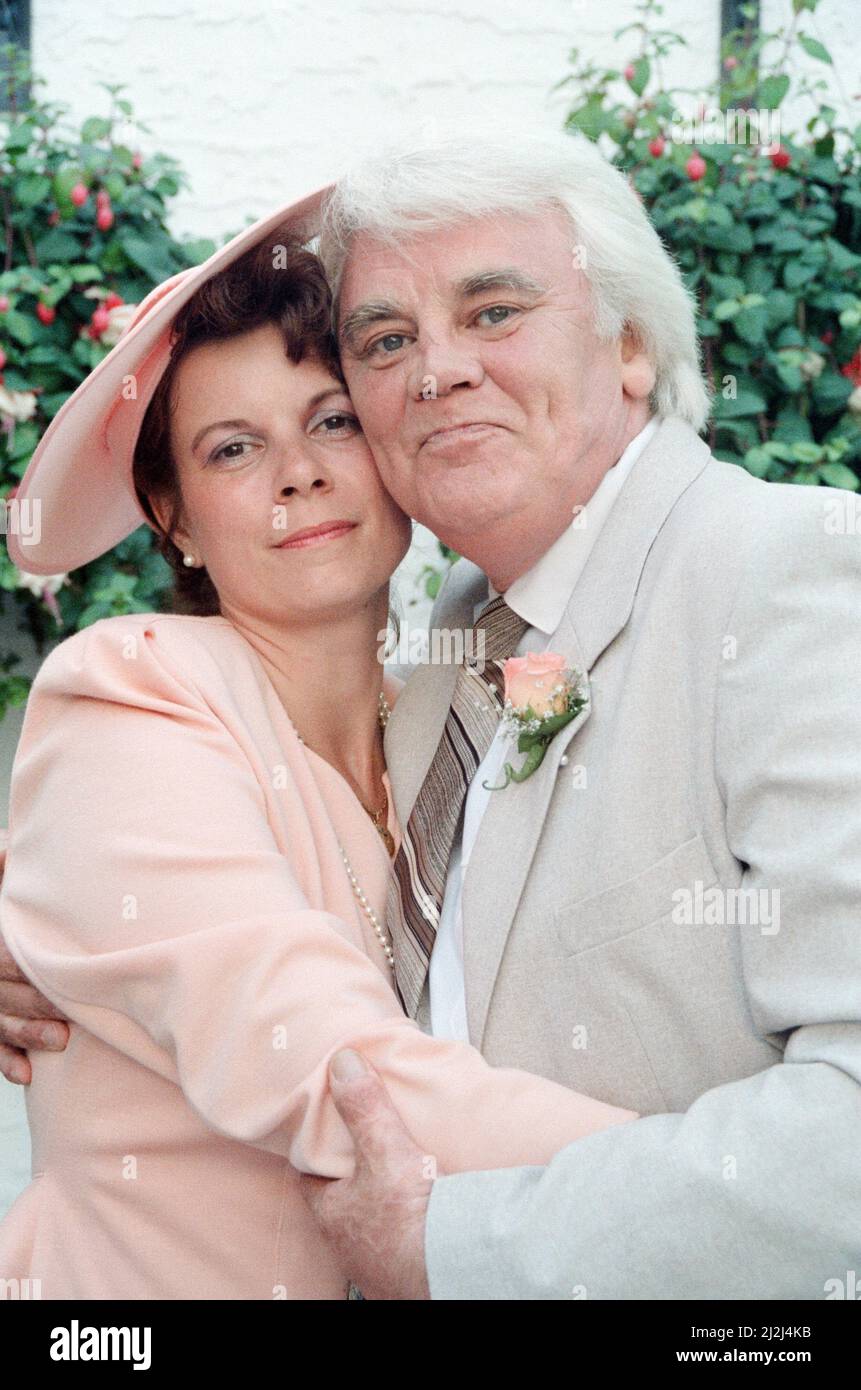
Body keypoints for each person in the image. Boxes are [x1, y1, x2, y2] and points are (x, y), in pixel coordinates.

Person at [0, 195, 634, 1300]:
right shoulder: (130, 690)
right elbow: (335, 1071)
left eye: (331, 421)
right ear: (176, 518)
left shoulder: (445, 716)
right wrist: (712, 1188)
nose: (296, 472)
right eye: (233, 448)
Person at [299, 128, 861, 1298]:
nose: (436, 371)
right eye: (386, 339)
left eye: (494, 311)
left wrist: (451, 1250)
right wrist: (83, 940)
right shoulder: (453, 639)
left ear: (634, 345)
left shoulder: (789, 571)